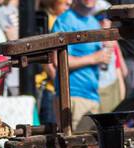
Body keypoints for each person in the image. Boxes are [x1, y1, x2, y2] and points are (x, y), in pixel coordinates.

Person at [49, 0, 114, 139]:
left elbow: (102, 63)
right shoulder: (64, 21)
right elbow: (57, 61)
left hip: (93, 96)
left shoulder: (94, 23)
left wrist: (106, 46)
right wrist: (95, 58)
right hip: (72, 97)